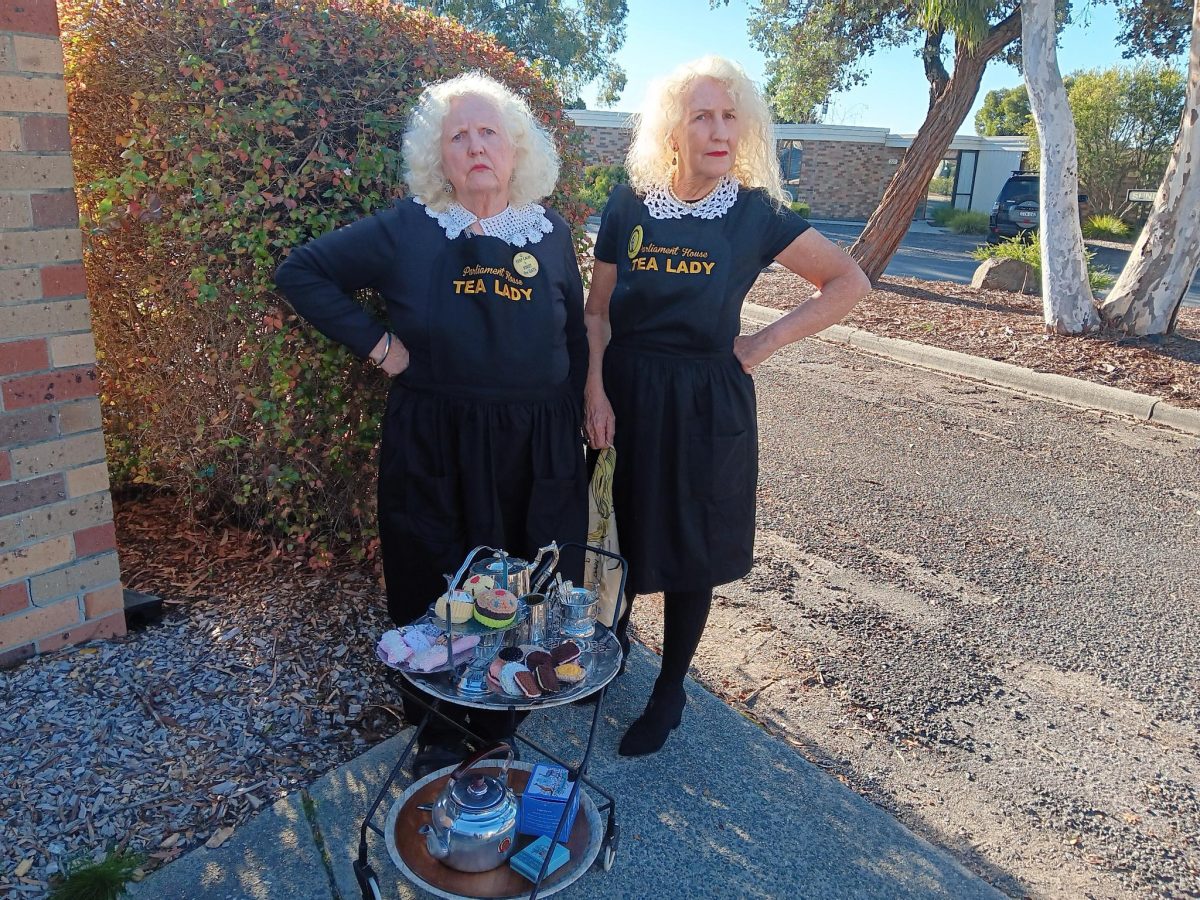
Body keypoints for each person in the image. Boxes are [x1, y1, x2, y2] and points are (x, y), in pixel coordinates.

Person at [275, 72, 588, 776]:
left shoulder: (552, 232)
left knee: (525, 578)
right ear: (438, 157)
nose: (476, 147)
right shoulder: (408, 228)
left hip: (535, 444)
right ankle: (442, 725)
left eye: (490, 134)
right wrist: (381, 348)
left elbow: (572, 339)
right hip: (436, 440)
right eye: (459, 137)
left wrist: (576, 414)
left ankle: (503, 711)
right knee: (437, 579)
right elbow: (302, 272)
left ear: (517, 150)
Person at [584, 56, 871, 757]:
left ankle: (670, 689)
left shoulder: (754, 213)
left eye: (729, 116)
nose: (718, 130)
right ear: (672, 132)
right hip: (624, 394)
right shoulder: (629, 203)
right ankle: (610, 641)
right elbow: (597, 312)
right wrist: (592, 387)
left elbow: (847, 281)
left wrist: (763, 342)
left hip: (706, 403)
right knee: (615, 526)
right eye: (701, 116)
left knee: (690, 544)